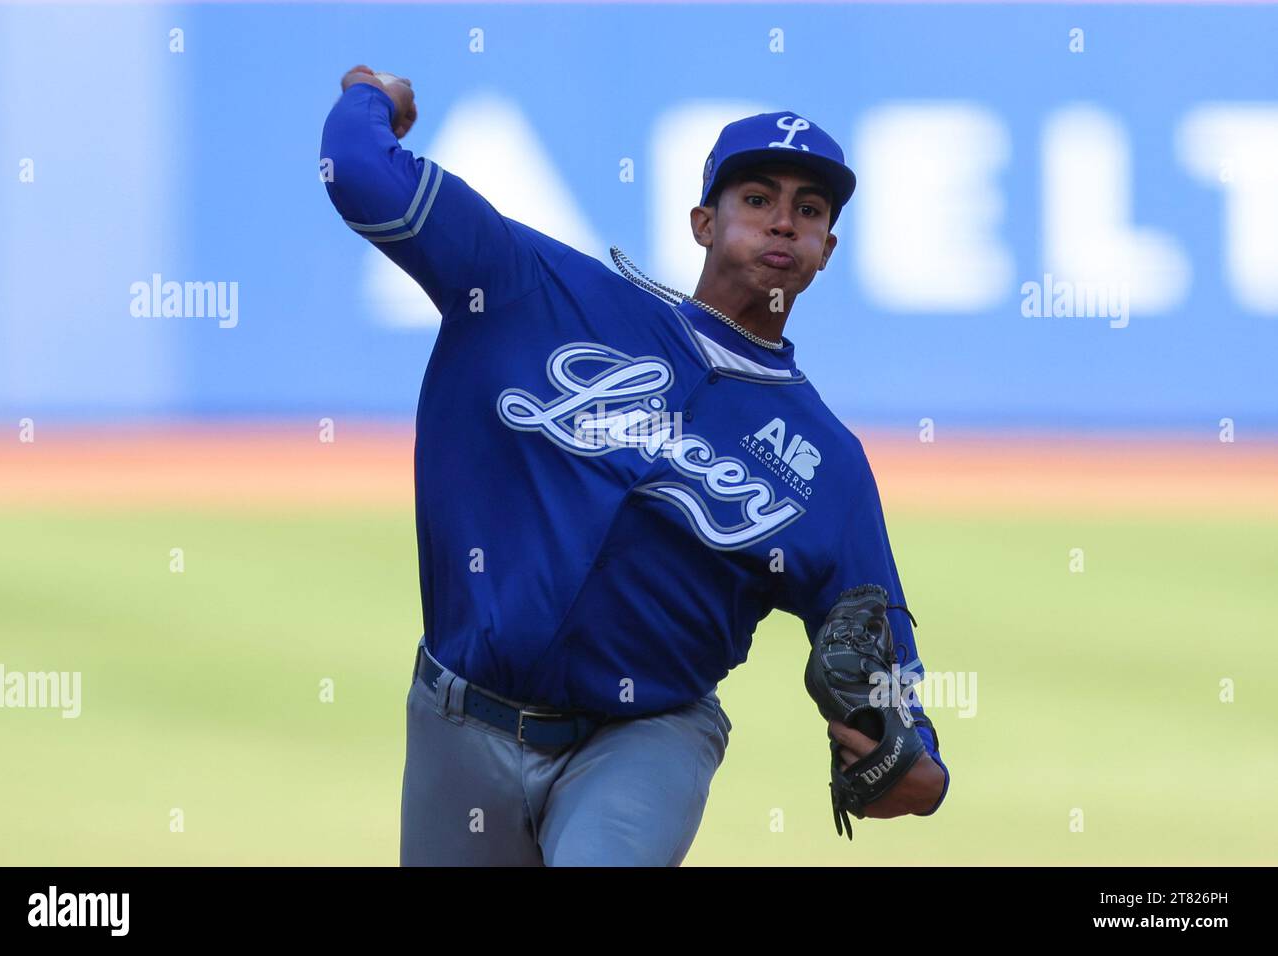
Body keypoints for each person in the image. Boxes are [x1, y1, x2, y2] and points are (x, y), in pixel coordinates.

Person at [320, 65, 950, 866]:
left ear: (828, 246)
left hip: (647, 738)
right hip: (459, 717)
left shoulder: (828, 462)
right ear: (702, 222)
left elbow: (892, 679)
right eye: (757, 199)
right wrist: (374, 95)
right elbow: (360, 172)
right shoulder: (533, 289)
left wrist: (911, 764)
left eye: (810, 209)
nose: (783, 222)